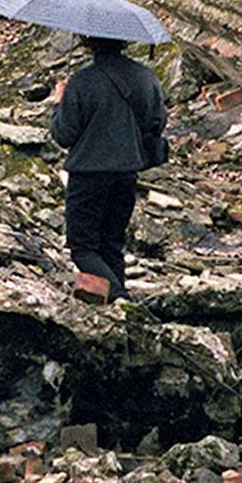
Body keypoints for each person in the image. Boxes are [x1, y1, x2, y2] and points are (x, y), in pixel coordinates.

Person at [50, 36, 165, 301]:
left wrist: (59, 102)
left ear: (88, 43)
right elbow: (157, 123)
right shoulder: (146, 77)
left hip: (88, 175)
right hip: (127, 173)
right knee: (112, 245)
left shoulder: (81, 81)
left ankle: (120, 300)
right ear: (124, 41)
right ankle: (115, 315)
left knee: (83, 249)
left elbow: (63, 135)